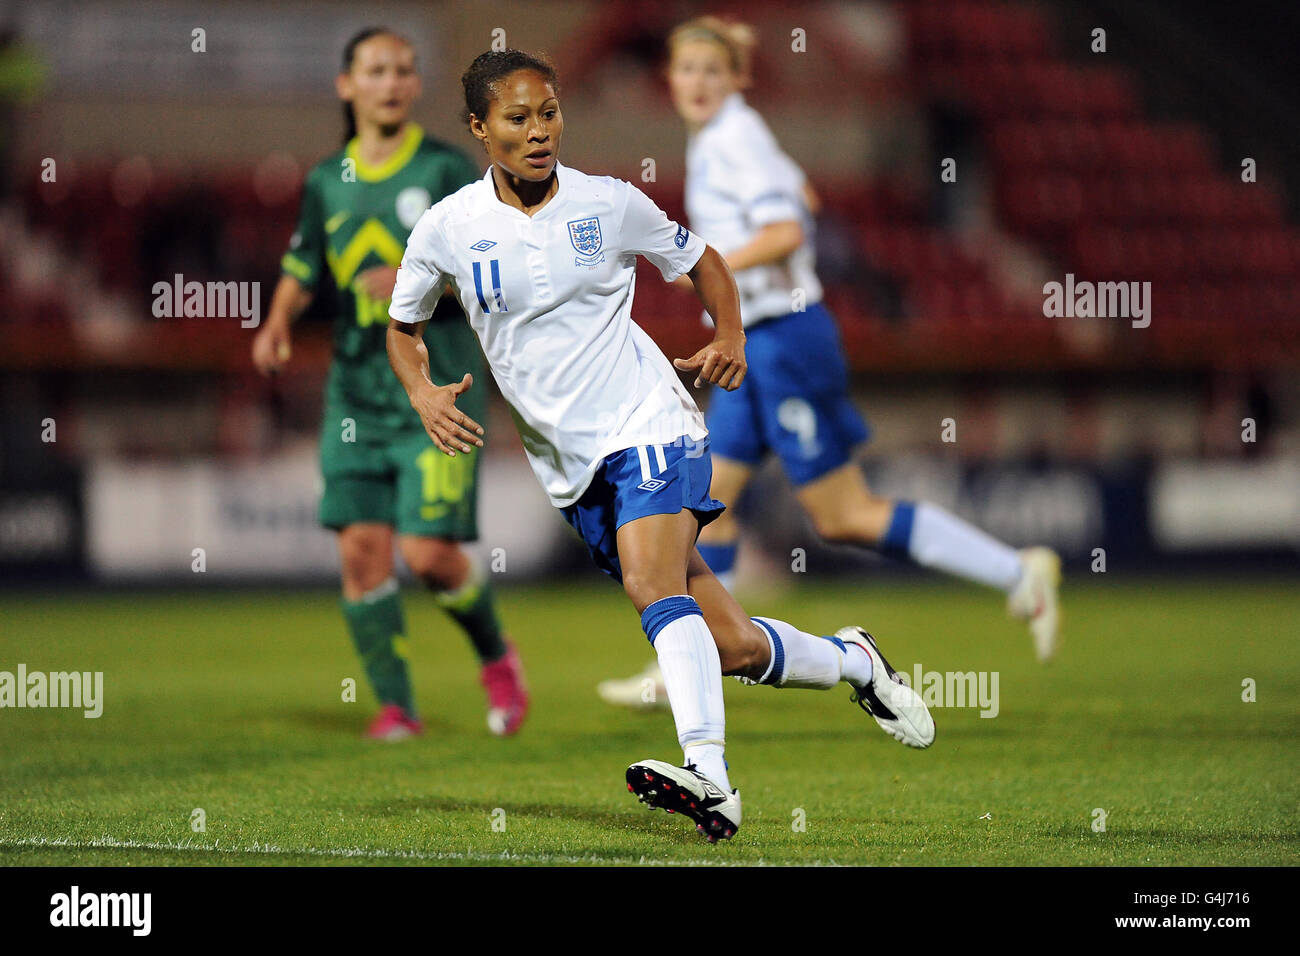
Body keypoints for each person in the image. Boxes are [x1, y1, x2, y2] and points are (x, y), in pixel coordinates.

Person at [387, 49, 935, 844]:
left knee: (652, 583)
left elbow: (705, 262)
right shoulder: (447, 228)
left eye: (549, 112)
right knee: (735, 645)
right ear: (479, 128)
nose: (539, 131)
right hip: (572, 471)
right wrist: (422, 390)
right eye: (517, 117)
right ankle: (856, 660)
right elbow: (402, 327)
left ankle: (710, 777)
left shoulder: (608, 203)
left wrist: (732, 334)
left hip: (650, 422)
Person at [599, 17, 1062, 710]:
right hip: (754, 344)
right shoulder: (733, 137)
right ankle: (688, 666)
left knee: (845, 515)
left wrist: (703, 262)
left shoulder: (734, 140)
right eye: (685, 70)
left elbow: (789, 229)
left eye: (709, 70)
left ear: (736, 78)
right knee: (708, 510)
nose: (694, 83)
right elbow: (803, 197)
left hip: (784, 338)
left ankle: (1017, 569)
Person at [251, 28, 528, 741]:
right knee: (360, 553)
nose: (393, 81)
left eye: (404, 70)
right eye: (376, 70)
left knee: (428, 554)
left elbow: (493, 267)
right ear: (347, 85)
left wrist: (419, 284)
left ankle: (497, 656)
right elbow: (303, 264)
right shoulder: (323, 180)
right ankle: (399, 708)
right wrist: (277, 322)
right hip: (354, 394)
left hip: (434, 388)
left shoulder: (441, 170)